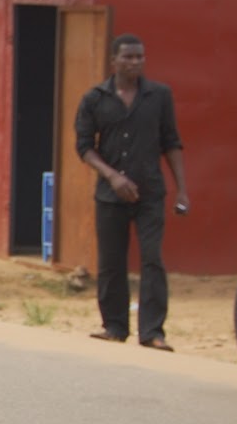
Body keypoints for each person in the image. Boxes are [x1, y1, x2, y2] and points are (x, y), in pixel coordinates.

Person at [76, 33, 189, 351]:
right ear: (114, 61)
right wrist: (112, 177)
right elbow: (84, 147)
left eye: (140, 57)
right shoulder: (95, 99)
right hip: (110, 195)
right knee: (112, 261)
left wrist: (182, 190)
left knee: (152, 259)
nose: (135, 62)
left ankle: (152, 331)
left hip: (150, 192)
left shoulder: (159, 96)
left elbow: (172, 142)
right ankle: (114, 326)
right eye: (128, 57)